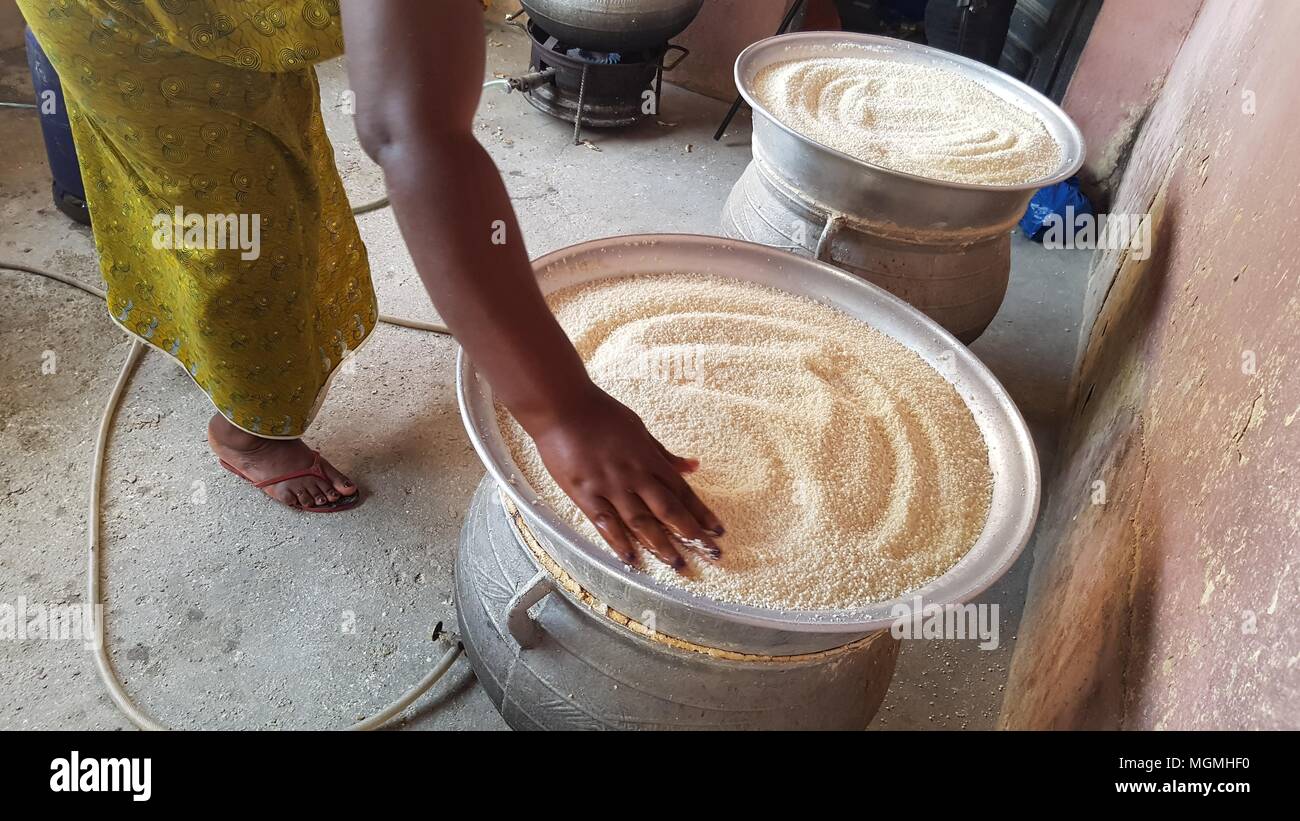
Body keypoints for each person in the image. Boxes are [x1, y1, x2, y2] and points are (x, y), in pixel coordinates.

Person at [17, 0, 723, 570]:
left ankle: (213, 351)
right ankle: (245, 437)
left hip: (230, 26)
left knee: (278, 168)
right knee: (234, 234)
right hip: (123, 19)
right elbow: (410, 133)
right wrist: (564, 410)